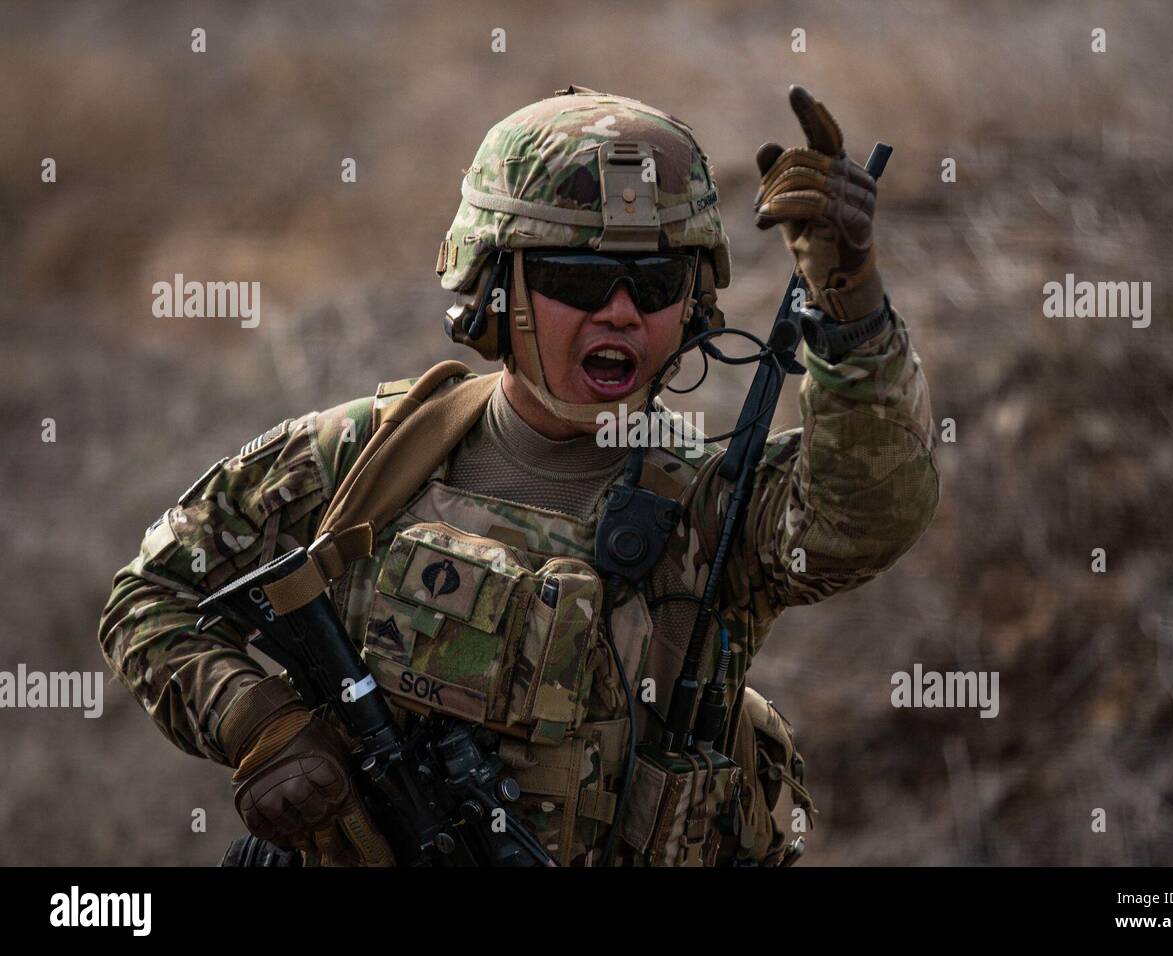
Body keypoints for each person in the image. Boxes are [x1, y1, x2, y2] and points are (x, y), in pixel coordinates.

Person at [98, 84, 939, 867]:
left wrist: (848, 299)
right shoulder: (359, 461)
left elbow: (869, 511)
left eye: (653, 281)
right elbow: (150, 597)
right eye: (576, 276)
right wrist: (259, 725)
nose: (620, 310)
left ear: (694, 304)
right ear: (494, 287)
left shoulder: (717, 512)